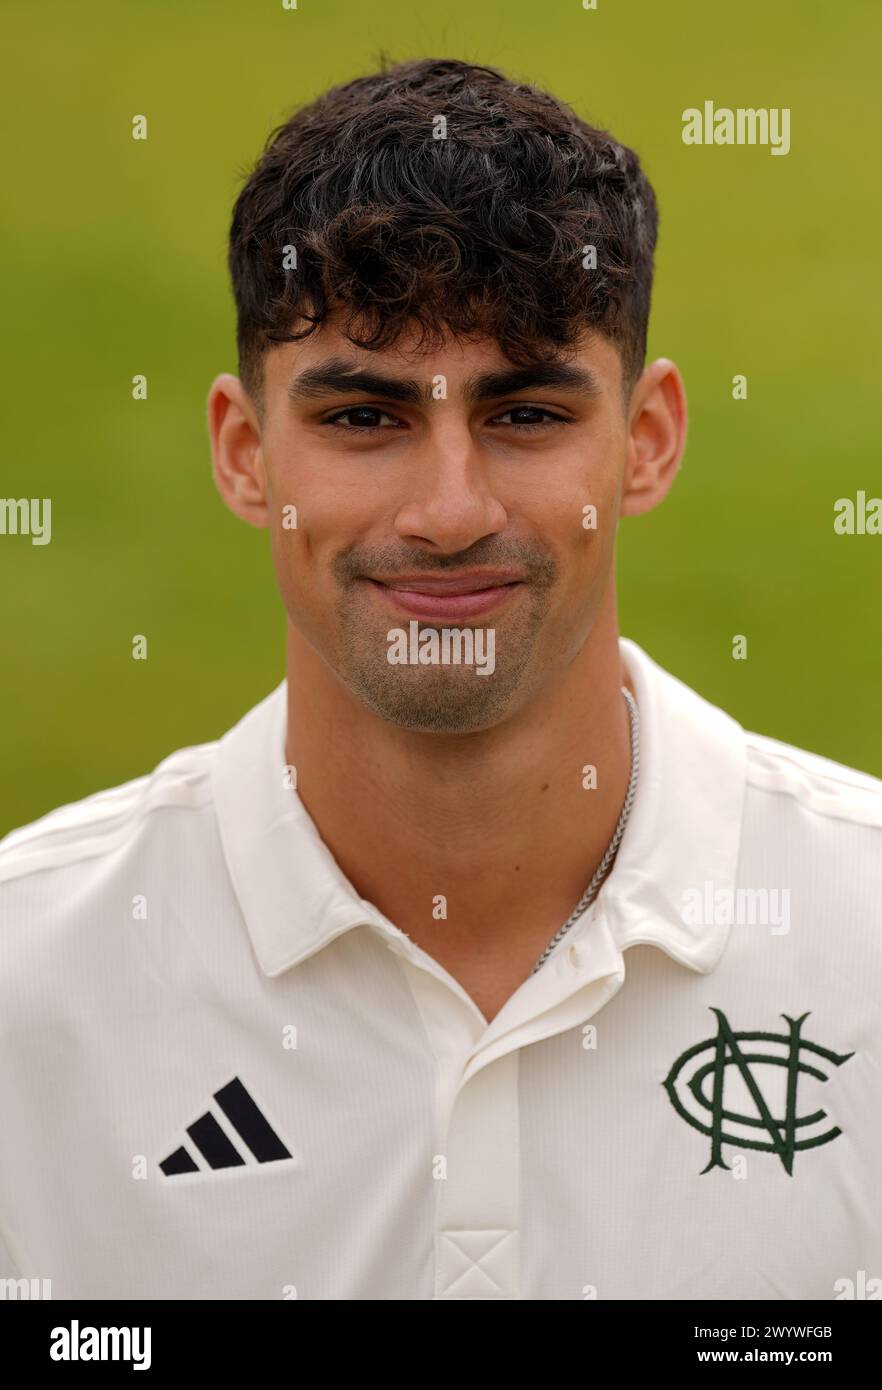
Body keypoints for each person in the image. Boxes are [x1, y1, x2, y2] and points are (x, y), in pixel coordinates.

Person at [1, 58, 880, 1302]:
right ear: (246, 455)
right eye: (365, 418)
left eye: (523, 415)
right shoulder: (24, 990)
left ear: (648, 440)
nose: (449, 511)